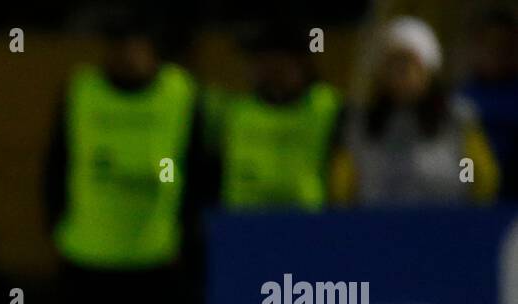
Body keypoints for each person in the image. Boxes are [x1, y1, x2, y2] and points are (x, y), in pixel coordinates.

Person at [43, 11, 201, 304]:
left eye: (136, 45)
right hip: (87, 250)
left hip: (154, 252)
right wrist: (58, 225)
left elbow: (191, 169)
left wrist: (181, 231)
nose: (127, 55)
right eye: (119, 45)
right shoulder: (83, 91)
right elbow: (58, 163)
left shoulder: (179, 93)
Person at [331, 16, 498, 206]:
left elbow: (481, 179)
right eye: (392, 64)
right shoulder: (362, 123)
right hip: (375, 228)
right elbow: (343, 185)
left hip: (446, 224)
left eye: (409, 64)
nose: (400, 72)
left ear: (429, 69)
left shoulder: (457, 119)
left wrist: (468, 209)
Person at [203, 20, 343, 211]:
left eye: (272, 60)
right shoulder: (235, 112)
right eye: (257, 60)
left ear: (298, 61)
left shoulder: (326, 106)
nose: (262, 69)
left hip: (306, 225)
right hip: (242, 225)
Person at [462, 5, 518, 201]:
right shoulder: (462, 99)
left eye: (504, 46)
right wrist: (467, 189)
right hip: (478, 203)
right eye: (488, 45)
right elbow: (464, 159)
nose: (495, 53)